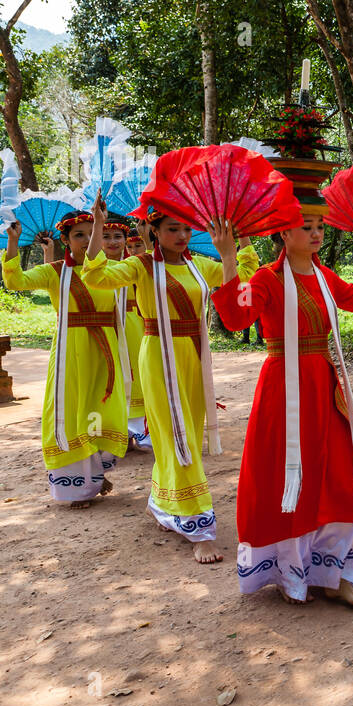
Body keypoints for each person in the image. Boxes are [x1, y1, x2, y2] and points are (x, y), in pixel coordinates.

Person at [211, 204, 353, 606]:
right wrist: (227, 259)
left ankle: (334, 573)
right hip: (283, 389)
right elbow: (236, 318)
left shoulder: (323, 275)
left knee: (340, 475)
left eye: (320, 226)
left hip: (324, 386)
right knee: (288, 478)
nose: (316, 233)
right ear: (283, 235)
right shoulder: (267, 279)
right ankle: (293, 575)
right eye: (305, 227)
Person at [84, 195, 259, 564]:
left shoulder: (200, 266)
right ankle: (199, 527)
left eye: (185, 228)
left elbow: (244, 279)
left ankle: (162, 502)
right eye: (171, 229)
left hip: (195, 357)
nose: (181, 235)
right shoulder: (141, 266)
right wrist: (99, 225)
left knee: (185, 435)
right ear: (154, 231)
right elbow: (96, 277)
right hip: (158, 356)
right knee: (176, 434)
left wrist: (238, 240)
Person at [2, 211, 127, 507]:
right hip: (70, 352)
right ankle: (76, 488)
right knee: (71, 413)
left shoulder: (114, 270)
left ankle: (95, 475)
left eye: (91, 233)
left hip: (106, 350)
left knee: (102, 410)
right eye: (79, 235)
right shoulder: (55, 271)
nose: (87, 241)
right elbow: (16, 281)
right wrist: (13, 243)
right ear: (65, 240)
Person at [101, 213, 151, 451]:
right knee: (111, 377)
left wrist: (146, 237)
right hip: (106, 326)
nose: (113, 242)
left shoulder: (135, 264)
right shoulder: (94, 266)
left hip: (133, 325)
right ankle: (116, 434)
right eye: (106, 237)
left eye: (118, 237)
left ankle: (141, 432)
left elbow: (155, 268)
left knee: (137, 375)